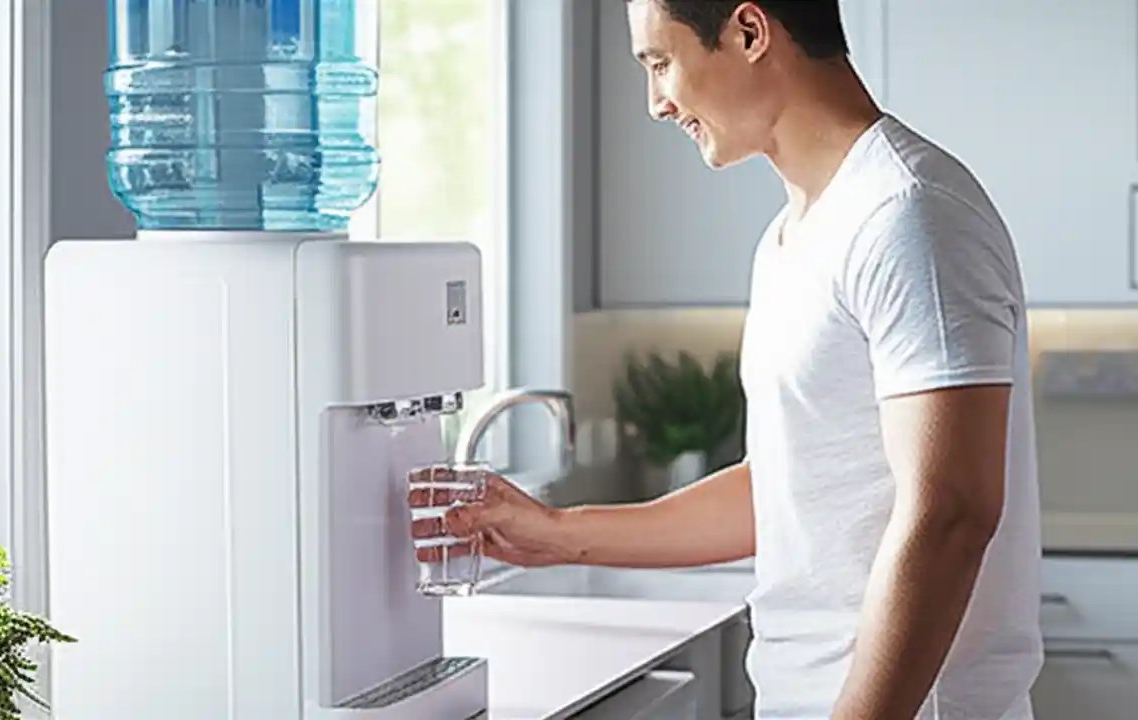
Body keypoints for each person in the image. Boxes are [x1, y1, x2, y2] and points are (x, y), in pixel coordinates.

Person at [413, 1, 1043, 718]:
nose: (656, 103)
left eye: (661, 62)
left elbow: (951, 511)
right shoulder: (793, 236)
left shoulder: (908, 215)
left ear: (749, 32)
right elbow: (786, 487)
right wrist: (559, 535)